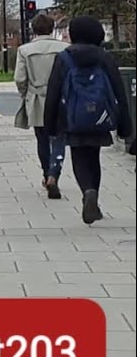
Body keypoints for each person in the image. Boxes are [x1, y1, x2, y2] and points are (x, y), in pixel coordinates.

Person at [43, 16, 132, 224]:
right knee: (94, 157)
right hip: (100, 116)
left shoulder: (64, 58)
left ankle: (87, 192)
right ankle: (94, 198)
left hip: (72, 118)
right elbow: (119, 92)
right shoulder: (105, 58)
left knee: (79, 157)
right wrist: (125, 125)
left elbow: (53, 92)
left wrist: (50, 125)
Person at [15, 13, 69, 198]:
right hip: (60, 99)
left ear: (33, 29)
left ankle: (46, 173)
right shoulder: (64, 49)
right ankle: (55, 173)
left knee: (42, 139)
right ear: (52, 28)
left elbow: (20, 78)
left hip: (37, 98)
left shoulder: (24, 50)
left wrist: (26, 94)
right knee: (59, 139)